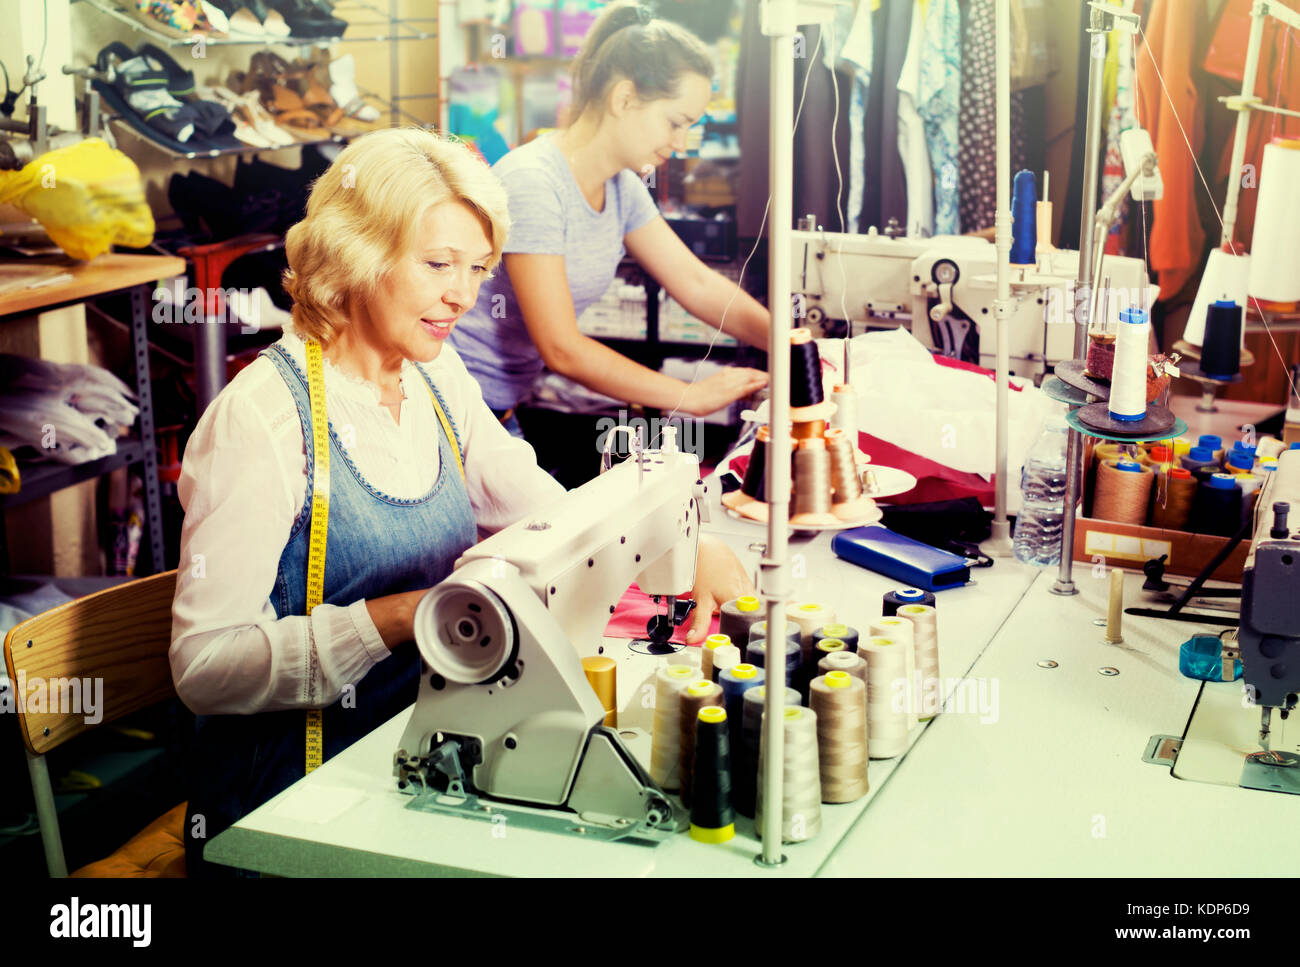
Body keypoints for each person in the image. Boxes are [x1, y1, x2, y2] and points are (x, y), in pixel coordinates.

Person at [169, 127, 755, 875]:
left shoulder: (435, 379)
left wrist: (681, 535)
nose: (464, 295)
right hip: (292, 798)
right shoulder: (262, 419)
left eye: (479, 269)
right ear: (357, 252)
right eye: (439, 264)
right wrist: (405, 617)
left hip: (419, 758)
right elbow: (204, 666)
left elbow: (548, 512)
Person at [448, 1, 771, 438]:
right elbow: (561, 348)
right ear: (623, 98)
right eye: (675, 122)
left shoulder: (622, 187)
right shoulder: (534, 182)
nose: (680, 142)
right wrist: (687, 395)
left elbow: (694, 283)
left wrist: (789, 341)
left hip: (498, 407)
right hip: (448, 406)